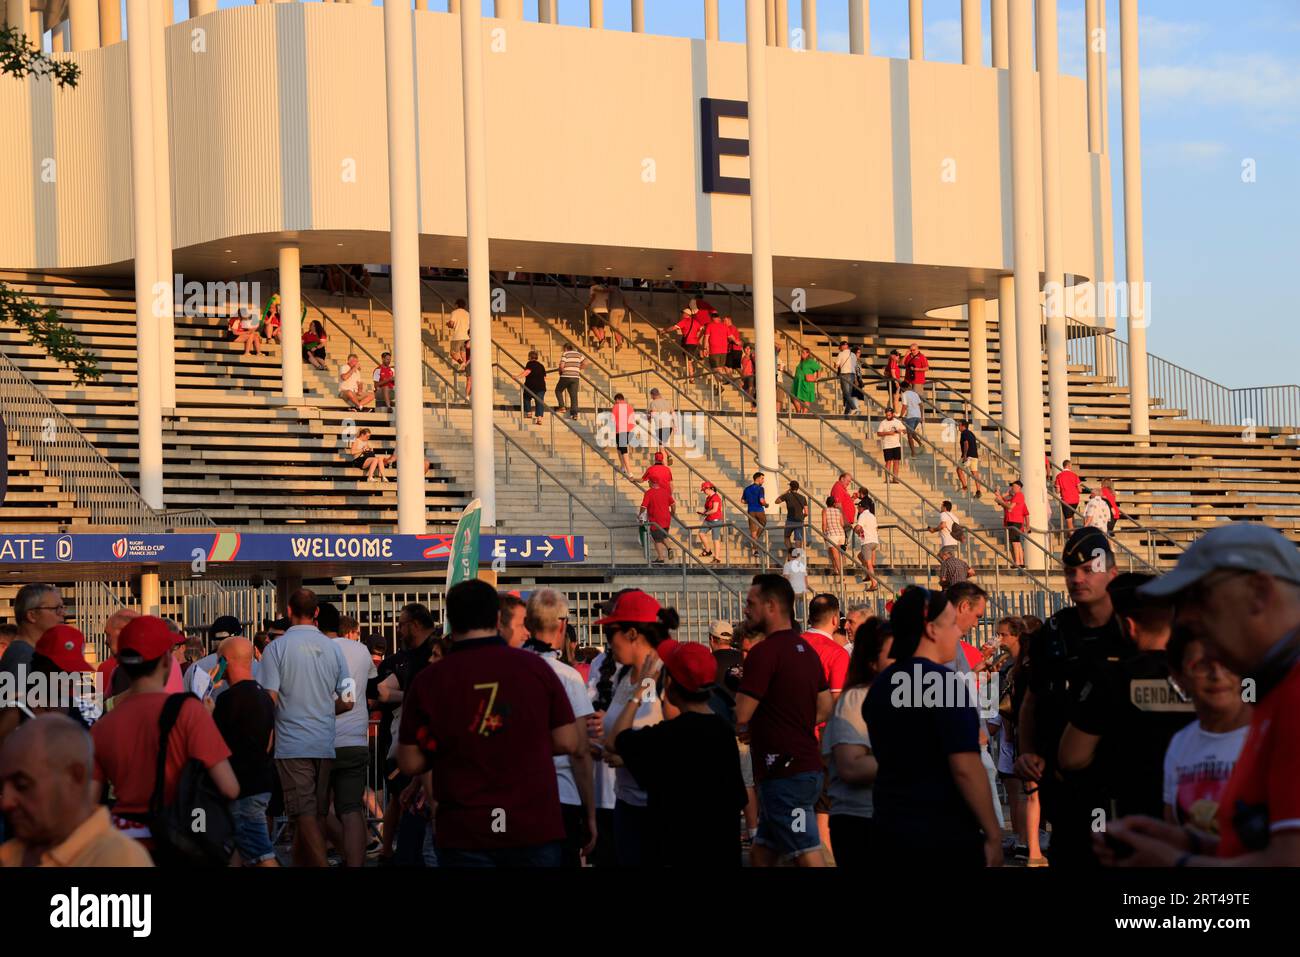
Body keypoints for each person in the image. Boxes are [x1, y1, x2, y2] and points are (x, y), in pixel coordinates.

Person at [1097, 523, 1300, 866]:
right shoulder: (1276, 689)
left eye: (1199, 598)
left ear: (1260, 593)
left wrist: (1176, 863)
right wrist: (1188, 841)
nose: (1187, 618)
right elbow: (1263, 843)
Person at [398, 581, 581, 867]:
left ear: (451, 620)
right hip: (530, 823)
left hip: (465, 826)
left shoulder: (430, 679)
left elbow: (409, 761)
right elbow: (569, 740)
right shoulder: (536, 669)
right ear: (497, 619)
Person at [1015, 528, 1132, 869]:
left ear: (1111, 572)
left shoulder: (1132, 628)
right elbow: (1032, 701)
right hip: (1066, 786)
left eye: (1087, 570)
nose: (1077, 579)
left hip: (1124, 783)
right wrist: (1026, 752)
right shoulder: (1054, 632)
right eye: (1070, 571)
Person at [1058, 574, 1194, 858]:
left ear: (1128, 626)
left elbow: (1072, 757)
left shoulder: (1111, 677)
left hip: (1128, 820)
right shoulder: (1203, 677)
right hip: (1192, 821)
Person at [866, 587, 1004, 867]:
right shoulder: (943, 683)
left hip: (890, 824)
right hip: (942, 833)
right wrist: (993, 833)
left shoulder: (882, 683)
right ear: (931, 629)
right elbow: (965, 766)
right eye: (951, 624)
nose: (958, 632)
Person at [90, 616, 240, 847]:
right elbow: (230, 788)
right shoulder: (189, 713)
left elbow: (90, 799)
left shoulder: (102, 724)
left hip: (124, 845)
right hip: (176, 840)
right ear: (166, 663)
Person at [610, 636, 746, 867]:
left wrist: (639, 692)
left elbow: (616, 739)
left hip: (674, 852)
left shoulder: (666, 736)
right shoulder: (723, 732)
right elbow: (739, 797)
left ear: (671, 684)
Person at [736, 574, 832, 867]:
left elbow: (741, 714)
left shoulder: (763, 653)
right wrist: (789, 722)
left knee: (806, 851)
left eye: (751, 603)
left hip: (785, 774)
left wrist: (760, 724)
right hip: (802, 767)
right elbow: (826, 706)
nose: (746, 609)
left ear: (771, 606)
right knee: (762, 853)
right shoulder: (807, 651)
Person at [257, 588, 354, 868]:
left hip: (291, 743)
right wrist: (322, 708)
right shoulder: (334, 649)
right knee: (315, 815)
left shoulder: (276, 648)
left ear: (288, 612)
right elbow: (348, 701)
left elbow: (270, 699)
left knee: (304, 815)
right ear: (317, 613)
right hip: (324, 742)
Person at [586, 591, 672, 867]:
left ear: (633, 634)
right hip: (625, 804)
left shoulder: (667, 676)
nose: (608, 642)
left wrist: (627, 756)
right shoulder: (623, 674)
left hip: (658, 810)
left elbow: (679, 744)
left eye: (612, 632)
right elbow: (616, 736)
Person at [0, 715, 154, 867]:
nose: (6, 802)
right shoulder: (11, 853)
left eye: (22, 785)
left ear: (75, 776)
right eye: (2, 787)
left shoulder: (119, 860)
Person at [523, 590, 598, 867]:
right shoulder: (568, 676)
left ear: (528, 625)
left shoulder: (509, 666)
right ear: (563, 625)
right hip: (560, 795)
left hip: (516, 794)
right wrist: (590, 814)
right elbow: (579, 750)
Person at [1160, 625, 1251, 833]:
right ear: (1178, 677)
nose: (1217, 674)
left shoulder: (1270, 733)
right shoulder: (1180, 742)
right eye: (1202, 665)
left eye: (1227, 662)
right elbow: (1174, 830)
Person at [823, 618, 894, 868]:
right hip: (861, 821)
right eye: (893, 653)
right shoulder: (856, 698)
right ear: (872, 662)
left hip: (890, 817)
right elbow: (851, 766)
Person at [211, 637, 278, 868]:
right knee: (241, 852)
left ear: (225, 661)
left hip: (243, 791)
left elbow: (213, 744)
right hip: (260, 784)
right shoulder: (264, 696)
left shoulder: (228, 700)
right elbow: (270, 741)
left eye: (219, 659)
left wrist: (206, 698)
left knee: (262, 855)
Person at [328, 615, 378, 868]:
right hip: (355, 738)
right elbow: (371, 686)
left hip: (322, 739)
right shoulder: (361, 651)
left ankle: (333, 853)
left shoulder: (322, 648)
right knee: (351, 810)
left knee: (316, 810)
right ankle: (355, 862)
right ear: (351, 632)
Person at [1, 584, 65, 682]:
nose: (63, 613)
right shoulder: (22, 655)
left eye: (62, 608)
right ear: (32, 615)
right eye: (55, 609)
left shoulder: (29, 653)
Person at [663, 304, 706, 378]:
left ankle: (691, 377)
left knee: (688, 360)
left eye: (683, 313)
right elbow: (702, 329)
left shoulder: (685, 321)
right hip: (694, 343)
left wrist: (665, 331)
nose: (682, 314)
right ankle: (692, 366)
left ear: (686, 314)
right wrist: (698, 337)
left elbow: (674, 328)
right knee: (688, 358)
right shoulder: (696, 322)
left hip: (688, 342)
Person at [639, 478, 675, 566]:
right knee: (663, 535)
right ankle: (669, 548)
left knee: (657, 539)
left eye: (648, 482)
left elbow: (643, 506)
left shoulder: (649, 493)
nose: (648, 483)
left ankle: (661, 558)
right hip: (666, 518)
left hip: (656, 519)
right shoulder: (665, 491)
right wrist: (672, 513)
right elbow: (673, 504)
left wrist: (640, 515)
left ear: (651, 483)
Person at [993, 480, 1029, 567]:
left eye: (1013, 486)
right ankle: (1020, 562)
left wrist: (1001, 501)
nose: (1012, 488)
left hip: (1014, 521)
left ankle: (1017, 562)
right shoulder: (1015, 497)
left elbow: (1009, 507)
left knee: (1015, 543)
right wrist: (1002, 496)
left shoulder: (1018, 495)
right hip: (1014, 521)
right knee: (1017, 543)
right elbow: (1002, 501)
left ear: (1018, 487)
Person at [852, 493, 880, 589]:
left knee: (868, 564)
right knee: (860, 556)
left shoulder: (862, 515)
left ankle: (874, 583)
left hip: (867, 542)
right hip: (874, 541)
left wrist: (855, 529)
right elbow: (876, 528)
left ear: (861, 507)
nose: (857, 509)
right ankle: (869, 574)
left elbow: (858, 527)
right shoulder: (872, 516)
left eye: (858, 507)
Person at [513, 349, 547, 424]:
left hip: (531, 386)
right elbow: (544, 377)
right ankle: (539, 418)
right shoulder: (541, 365)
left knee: (526, 397)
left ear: (529, 357)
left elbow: (527, 372)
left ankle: (529, 413)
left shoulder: (530, 363)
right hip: (541, 387)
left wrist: (517, 377)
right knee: (539, 401)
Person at [774, 479, 808, 551]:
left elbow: (776, 501)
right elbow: (806, 512)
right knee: (798, 539)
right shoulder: (803, 497)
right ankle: (797, 555)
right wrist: (803, 516)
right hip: (799, 521)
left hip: (790, 520)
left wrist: (786, 492)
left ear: (790, 487)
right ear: (797, 488)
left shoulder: (787, 495)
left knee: (786, 537)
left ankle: (791, 552)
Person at [741, 472, 768, 562]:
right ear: (757, 479)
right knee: (763, 524)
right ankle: (756, 540)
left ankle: (755, 550)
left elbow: (742, 501)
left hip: (751, 511)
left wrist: (750, 501)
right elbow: (761, 500)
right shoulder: (761, 489)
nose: (763, 481)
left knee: (753, 531)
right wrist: (766, 504)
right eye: (762, 479)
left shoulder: (747, 489)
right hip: (759, 510)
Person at [696, 481, 725, 564]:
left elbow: (715, 510)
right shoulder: (708, 498)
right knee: (701, 533)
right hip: (708, 519)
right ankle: (708, 550)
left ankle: (717, 558)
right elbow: (707, 508)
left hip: (716, 520)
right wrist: (703, 513)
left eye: (704, 490)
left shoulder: (716, 497)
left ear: (709, 489)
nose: (704, 492)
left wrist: (705, 513)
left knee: (715, 539)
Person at [876, 409, 907, 483]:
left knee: (896, 462)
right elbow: (879, 433)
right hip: (887, 445)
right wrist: (888, 433)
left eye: (889, 415)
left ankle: (895, 478)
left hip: (896, 445)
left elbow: (905, 430)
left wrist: (900, 431)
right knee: (888, 462)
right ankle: (887, 478)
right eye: (886, 415)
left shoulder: (897, 422)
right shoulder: (883, 423)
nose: (888, 416)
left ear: (893, 414)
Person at [555, 344, 585, 418]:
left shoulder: (565, 354)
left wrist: (561, 372)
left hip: (566, 376)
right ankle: (574, 414)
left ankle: (562, 407)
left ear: (565, 348)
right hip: (575, 377)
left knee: (558, 390)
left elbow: (562, 365)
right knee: (574, 395)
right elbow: (586, 362)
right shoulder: (579, 354)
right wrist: (578, 369)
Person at [647, 388, 674, 462]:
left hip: (661, 427)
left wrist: (648, 418)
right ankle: (669, 454)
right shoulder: (667, 402)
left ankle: (665, 466)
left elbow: (650, 414)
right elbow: (672, 413)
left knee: (661, 447)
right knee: (663, 442)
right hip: (669, 426)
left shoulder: (653, 403)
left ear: (652, 395)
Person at [610, 392, 635, 473]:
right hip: (629, 430)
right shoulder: (630, 407)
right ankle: (623, 466)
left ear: (617, 399)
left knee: (623, 450)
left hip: (620, 430)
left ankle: (628, 470)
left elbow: (612, 420)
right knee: (619, 448)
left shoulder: (616, 406)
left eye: (615, 401)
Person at [792, 347, 821, 413]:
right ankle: (798, 411)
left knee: (806, 398)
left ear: (808, 354)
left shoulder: (810, 361)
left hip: (806, 383)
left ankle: (804, 413)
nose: (802, 354)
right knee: (794, 397)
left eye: (804, 352)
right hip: (798, 383)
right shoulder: (801, 362)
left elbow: (818, 368)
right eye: (802, 352)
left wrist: (818, 377)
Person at [957, 419, 982, 497]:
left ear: (963, 426)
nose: (958, 426)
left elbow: (966, 443)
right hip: (975, 456)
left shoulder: (964, 433)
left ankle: (964, 486)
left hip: (968, 456)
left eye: (959, 425)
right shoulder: (971, 433)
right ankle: (978, 490)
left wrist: (965, 455)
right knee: (975, 473)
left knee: (959, 469)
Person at [833, 341, 860, 414]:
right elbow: (854, 367)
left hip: (844, 374)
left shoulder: (841, 354)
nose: (840, 348)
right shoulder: (853, 355)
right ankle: (846, 412)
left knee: (845, 393)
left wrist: (834, 364)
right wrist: (855, 379)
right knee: (849, 393)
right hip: (852, 375)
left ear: (843, 346)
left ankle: (854, 408)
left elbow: (837, 365)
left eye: (840, 347)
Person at [1055, 459, 1082, 530]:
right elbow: (1080, 490)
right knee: (1071, 517)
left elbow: (1057, 491)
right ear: (1069, 466)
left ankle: (1072, 536)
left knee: (1069, 521)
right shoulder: (1075, 475)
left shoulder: (1059, 476)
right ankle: (1070, 534)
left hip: (1066, 500)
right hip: (1075, 500)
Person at [821, 496, 845, 577]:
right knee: (832, 552)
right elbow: (842, 524)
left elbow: (824, 523)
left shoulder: (825, 510)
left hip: (831, 534)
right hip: (840, 533)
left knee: (835, 555)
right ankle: (835, 569)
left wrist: (824, 533)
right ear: (834, 503)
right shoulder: (838, 511)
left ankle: (842, 576)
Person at [900, 384, 923, 455]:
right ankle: (920, 444)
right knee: (912, 432)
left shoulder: (904, 394)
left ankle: (913, 453)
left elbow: (904, 406)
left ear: (903, 388)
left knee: (909, 435)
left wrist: (901, 415)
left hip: (911, 416)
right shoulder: (915, 394)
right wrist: (921, 416)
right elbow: (921, 405)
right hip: (918, 416)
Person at [447, 298, 470, 368]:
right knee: (463, 353)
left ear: (457, 305)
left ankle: (461, 363)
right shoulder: (468, 314)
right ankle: (466, 368)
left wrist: (448, 324)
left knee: (453, 353)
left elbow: (451, 323)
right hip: (466, 337)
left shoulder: (454, 312)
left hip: (457, 336)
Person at [884, 349, 904, 413]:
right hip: (894, 382)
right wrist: (896, 382)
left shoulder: (891, 362)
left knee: (893, 399)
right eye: (897, 355)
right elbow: (892, 372)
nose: (898, 357)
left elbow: (885, 373)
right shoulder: (892, 361)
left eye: (898, 355)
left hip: (891, 381)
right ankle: (896, 413)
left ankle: (891, 412)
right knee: (896, 398)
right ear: (893, 356)